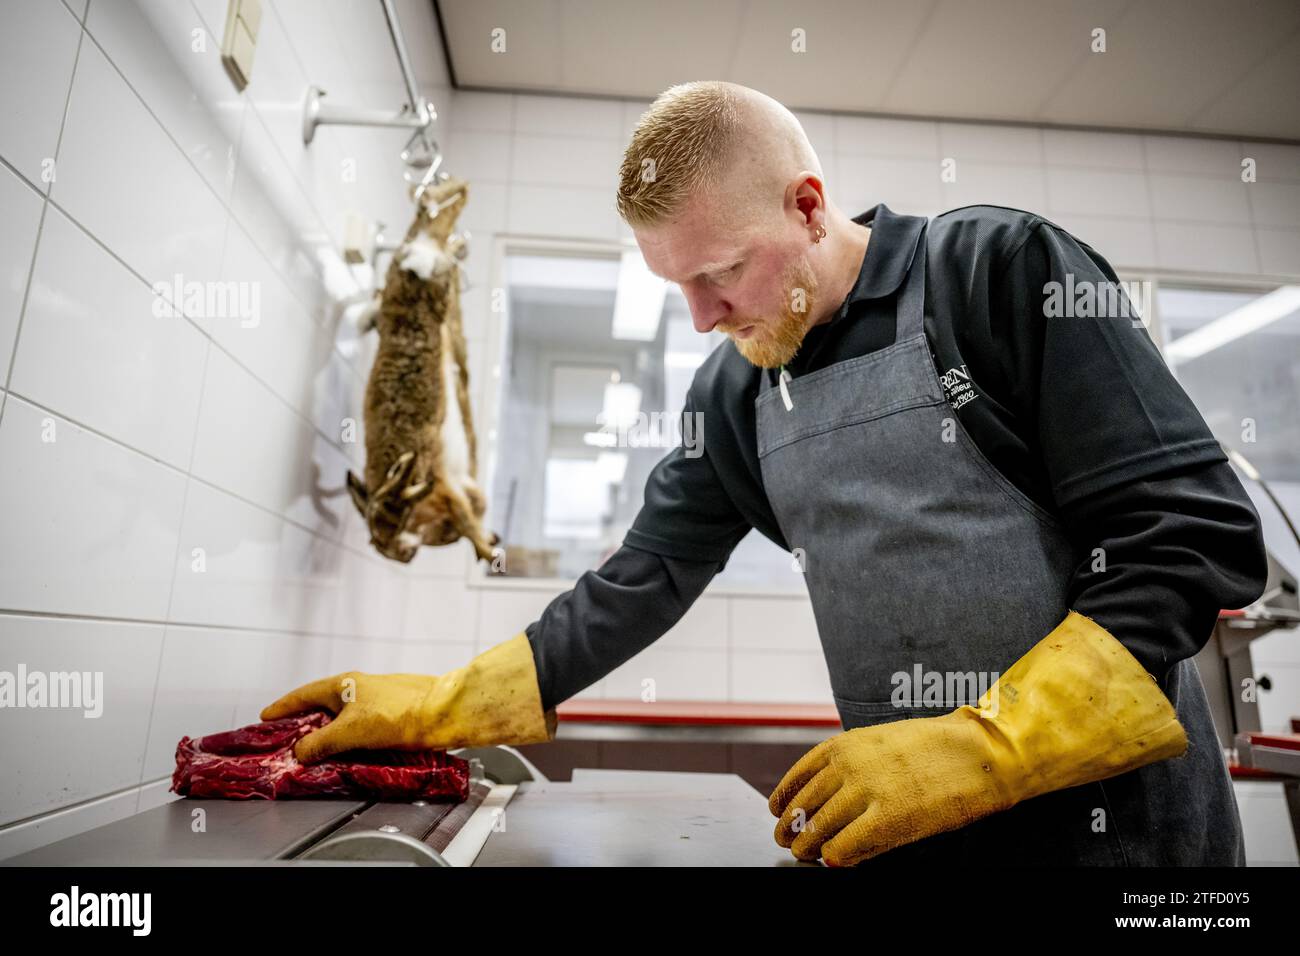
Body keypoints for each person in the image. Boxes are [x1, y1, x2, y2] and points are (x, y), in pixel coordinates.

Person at [263, 81, 1268, 866]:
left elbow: (1190, 539)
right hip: (912, 834)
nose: (701, 316)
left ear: (809, 206)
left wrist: (982, 745)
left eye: (719, 272)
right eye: (676, 285)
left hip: (1125, 838)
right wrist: (444, 702)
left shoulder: (997, 273)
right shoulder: (736, 393)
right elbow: (643, 578)